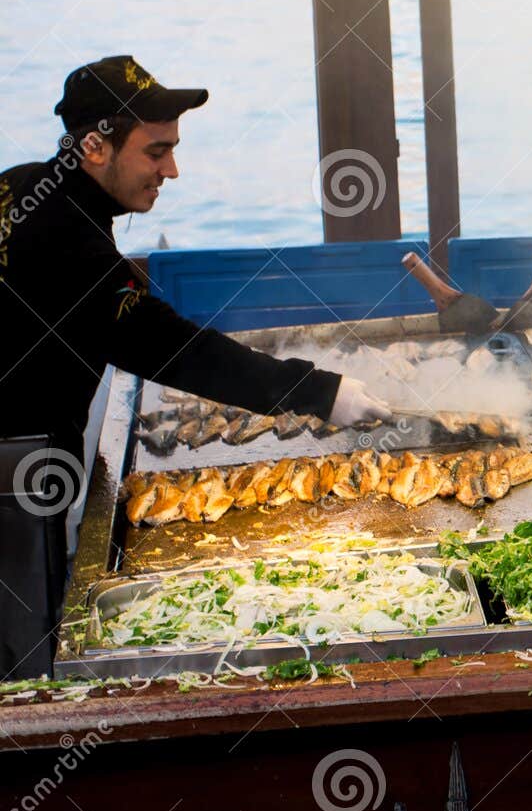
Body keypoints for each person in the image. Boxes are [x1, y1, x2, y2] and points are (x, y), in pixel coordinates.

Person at [0, 56, 391, 677]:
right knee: (21, 669)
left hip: (24, 459)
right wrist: (318, 391)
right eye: (156, 152)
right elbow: (172, 348)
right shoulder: (67, 243)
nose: (172, 170)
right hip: (12, 480)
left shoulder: (24, 185)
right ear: (96, 147)